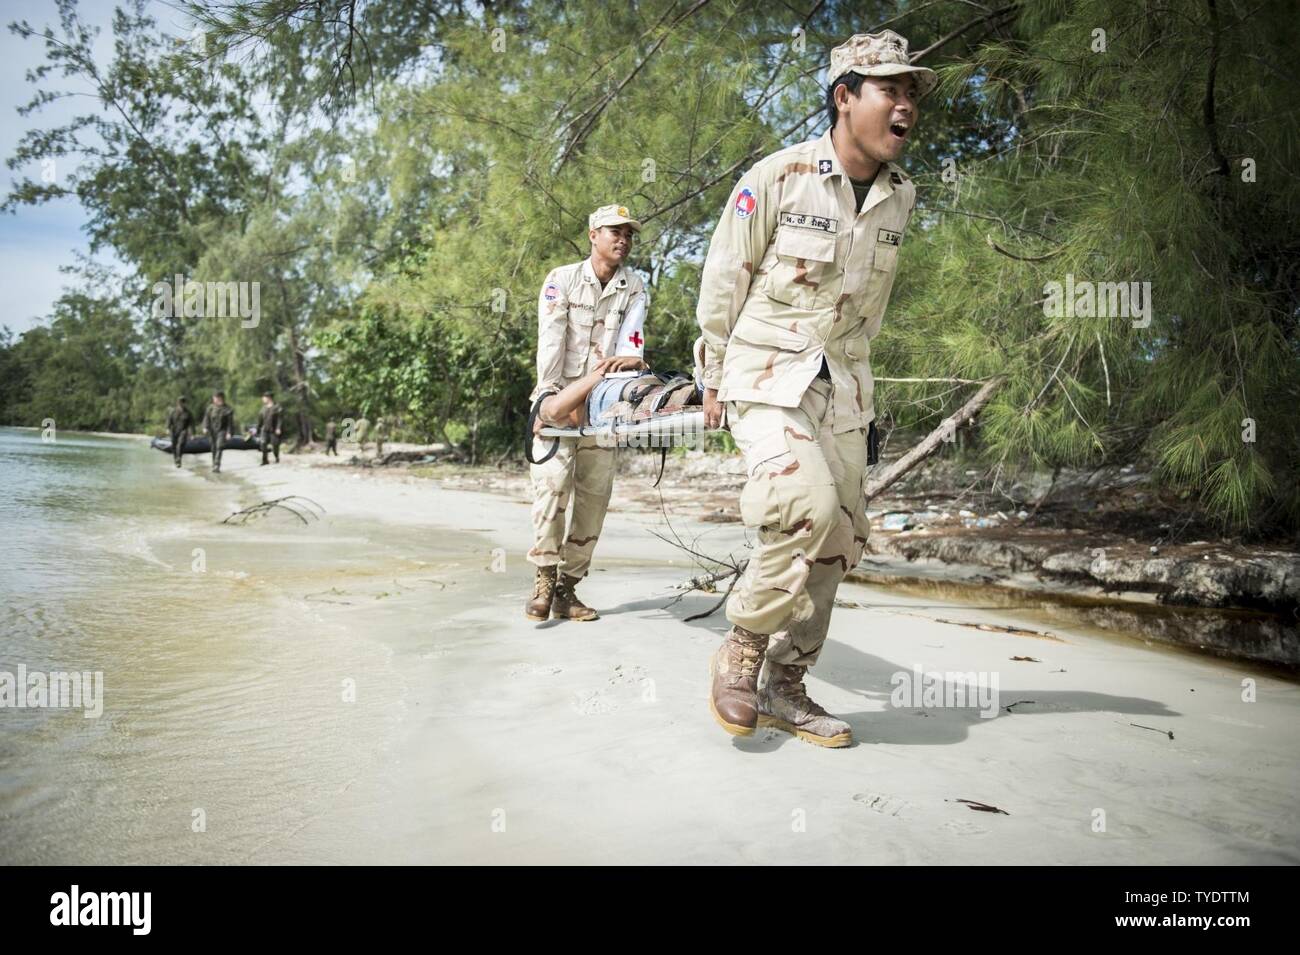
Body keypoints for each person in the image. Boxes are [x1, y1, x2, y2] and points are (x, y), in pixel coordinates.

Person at [696, 30, 935, 747]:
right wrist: (711, 377)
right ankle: (742, 645)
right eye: (890, 90)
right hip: (766, 373)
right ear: (844, 97)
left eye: (911, 94)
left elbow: (871, 307)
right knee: (804, 503)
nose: (906, 106)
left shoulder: (901, 197)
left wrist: (859, 387)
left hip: (844, 386)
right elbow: (722, 281)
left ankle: (785, 685)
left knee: (838, 537)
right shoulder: (775, 177)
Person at [525, 203, 649, 623]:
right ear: (593, 234)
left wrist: (629, 362)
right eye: (615, 231)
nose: (623, 240)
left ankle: (567, 588)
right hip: (560, 400)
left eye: (629, 234)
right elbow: (550, 344)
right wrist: (546, 401)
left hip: (606, 407)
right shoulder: (561, 280)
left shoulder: (635, 286)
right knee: (552, 490)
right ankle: (543, 580)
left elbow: (632, 348)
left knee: (594, 500)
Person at [202, 391, 235, 474]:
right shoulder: (210, 408)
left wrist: (229, 432)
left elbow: (230, 423)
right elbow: (206, 418)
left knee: (219, 446)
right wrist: (205, 427)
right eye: (214, 398)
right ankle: (214, 464)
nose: (214, 400)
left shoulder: (228, 409)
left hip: (222, 430)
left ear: (220, 398)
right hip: (212, 431)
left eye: (215, 398)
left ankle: (217, 465)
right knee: (213, 448)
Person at [165, 397, 193, 468]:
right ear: (178, 403)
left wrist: (192, 433)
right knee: (174, 446)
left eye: (183, 402)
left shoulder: (188, 413)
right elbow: (169, 420)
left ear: (185, 403)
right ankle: (176, 459)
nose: (181, 404)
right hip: (174, 431)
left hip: (183, 430)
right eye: (180, 402)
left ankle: (179, 459)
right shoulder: (173, 411)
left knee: (180, 444)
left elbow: (191, 424)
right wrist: (167, 428)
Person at [257, 392, 283, 466]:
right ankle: (265, 460)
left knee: (275, 445)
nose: (262, 399)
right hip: (264, 429)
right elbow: (260, 420)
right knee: (263, 444)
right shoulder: (263, 408)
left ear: (269, 398)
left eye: (264, 397)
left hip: (273, 429)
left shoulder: (277, 407)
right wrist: (258, 429)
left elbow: (280, 419)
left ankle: (276, 457)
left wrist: (278, 428)